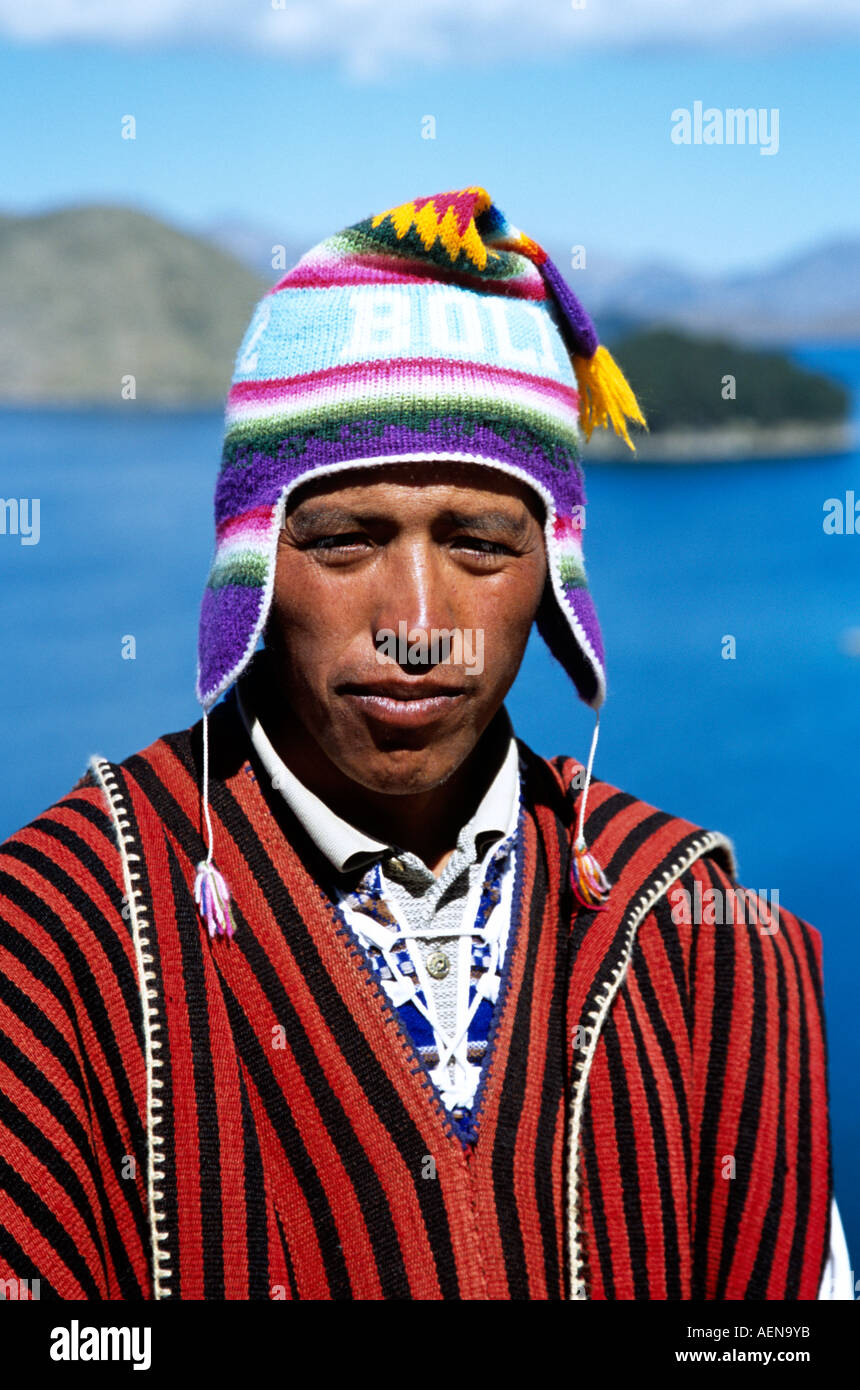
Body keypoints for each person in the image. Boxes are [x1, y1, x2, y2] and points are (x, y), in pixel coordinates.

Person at [0, 187, 850, 1301]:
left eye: (480, 544)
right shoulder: (57, 942)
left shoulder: (712, 950)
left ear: (553, 571)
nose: (415, 619)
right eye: (345, 540)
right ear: (252, 558)